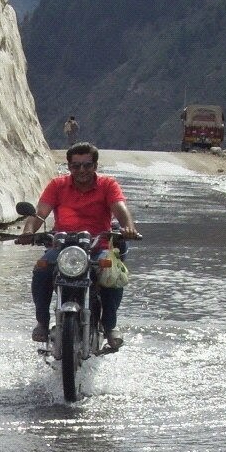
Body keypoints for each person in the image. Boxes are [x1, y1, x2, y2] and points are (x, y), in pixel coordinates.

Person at [15, 141, 139, 347]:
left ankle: (110, 326)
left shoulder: (108, 185)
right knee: (42, 270)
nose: (81, 170)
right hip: (63, 247)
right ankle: (42, 324)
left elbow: (120, 209)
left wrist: (128, 228)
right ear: (69, 167)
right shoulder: (57, 185)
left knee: (111, 276)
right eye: (76, 165)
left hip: (97, 247)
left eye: (87, 165)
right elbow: (40, 213)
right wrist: (28, 232)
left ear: (95, 166)